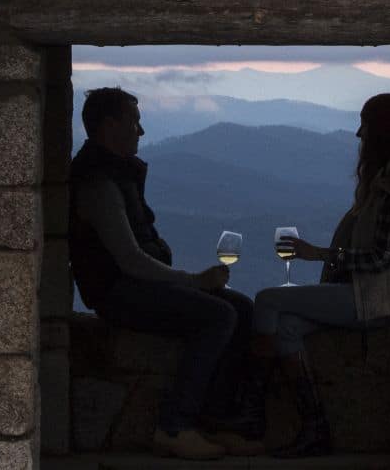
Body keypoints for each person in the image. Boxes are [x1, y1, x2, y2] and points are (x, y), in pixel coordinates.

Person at [68, 87, 262, 460]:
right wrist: (193, 281)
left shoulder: (114, 174)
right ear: (110, 126)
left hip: (133, 285)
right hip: (118, 292)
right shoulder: (99, 184)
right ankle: (174, 427)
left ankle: (217, 422)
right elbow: (130, 260)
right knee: (220, 315)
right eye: (134, 121)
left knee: (243, 308)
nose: (141, 131)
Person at [233, 92, 390, 458]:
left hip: (372, 298)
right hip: (367, 295)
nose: (358, 135)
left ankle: (251, 409)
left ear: (380, 131)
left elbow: (381, 258)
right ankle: (315, 427)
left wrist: (318, 254)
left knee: (267, 299)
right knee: (287, 325)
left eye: (365, 126)